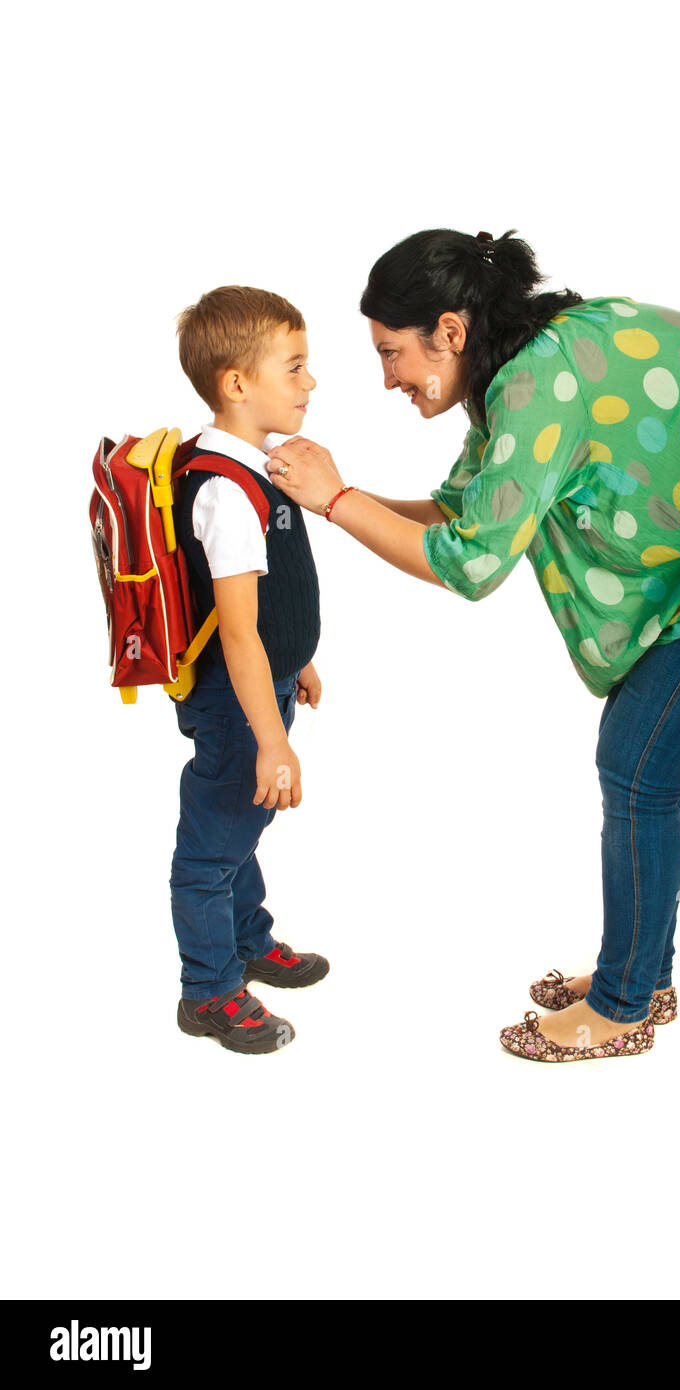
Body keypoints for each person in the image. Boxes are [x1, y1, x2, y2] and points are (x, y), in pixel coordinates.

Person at [264, 229, 680, 1066]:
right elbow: (462, 514)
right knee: (638, 760)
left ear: (450, 330)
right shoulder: (529, 366)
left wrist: (334, 501)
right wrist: (340, 499)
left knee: (638, 763)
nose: (387, 379)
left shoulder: (537, 388)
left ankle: (622, 1005)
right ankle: (639, 976)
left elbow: (471, 565)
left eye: (392, 353)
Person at [171, 285, 329, 1055]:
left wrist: (296, 661)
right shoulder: (227, 493)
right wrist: (272, 739)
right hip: (239, 703)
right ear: (237, 383)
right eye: (294, 368)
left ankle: (248, 939)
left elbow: (266, 606)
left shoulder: (256, 472)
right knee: (211, 848)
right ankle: (207, 991)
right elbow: (235, 635)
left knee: (242, 824)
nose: (310, 383)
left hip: (264, 686)